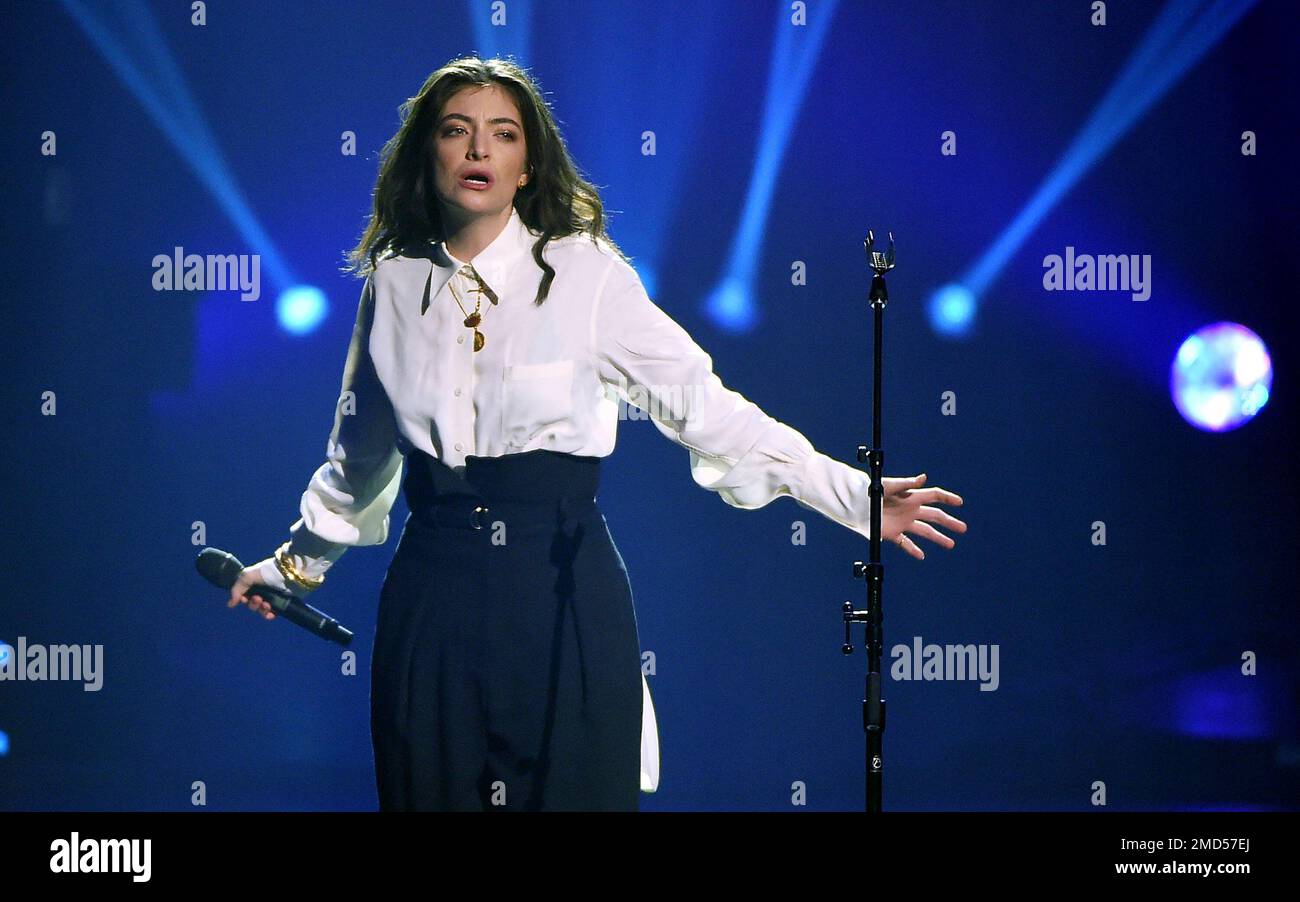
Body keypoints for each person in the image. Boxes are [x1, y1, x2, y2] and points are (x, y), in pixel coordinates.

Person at [227, 55, 967, 812]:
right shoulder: (392, 283)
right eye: (457, 131)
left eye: (503, 135)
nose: (479, 150)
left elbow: (706, 410)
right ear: (429, 153)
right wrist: (294, 567)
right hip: (435, 592)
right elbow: (359, 462)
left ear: (527, 166)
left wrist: (851, 497)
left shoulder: (586, 276)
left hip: (560, 586)